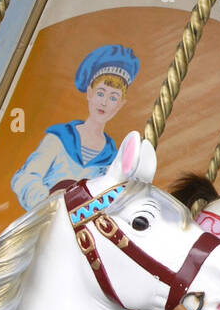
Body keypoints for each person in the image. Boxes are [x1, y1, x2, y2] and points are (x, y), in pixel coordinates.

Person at [11, 44, 140, 209]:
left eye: (113, 97)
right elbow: (26, 177)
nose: (104, 102)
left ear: (121, 104)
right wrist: (48, 203)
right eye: (100, 93)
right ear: (89, 93)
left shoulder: (112, 160)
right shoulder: (59, 139)